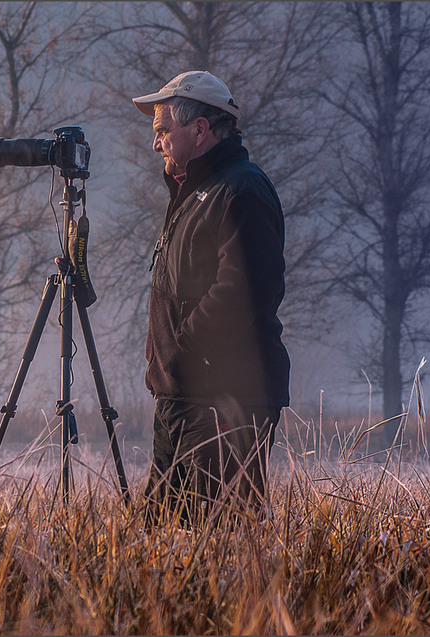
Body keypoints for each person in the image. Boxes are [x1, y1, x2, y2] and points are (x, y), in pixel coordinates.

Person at [131, 71, 291, 524]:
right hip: (183, 398)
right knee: (161, 539)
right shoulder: (196, 191)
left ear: (200, 130)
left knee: (218, 540)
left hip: (222, 398)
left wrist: (187, 352)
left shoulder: (241, 189)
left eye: (163, 131)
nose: (157, 143)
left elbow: (246, 289)